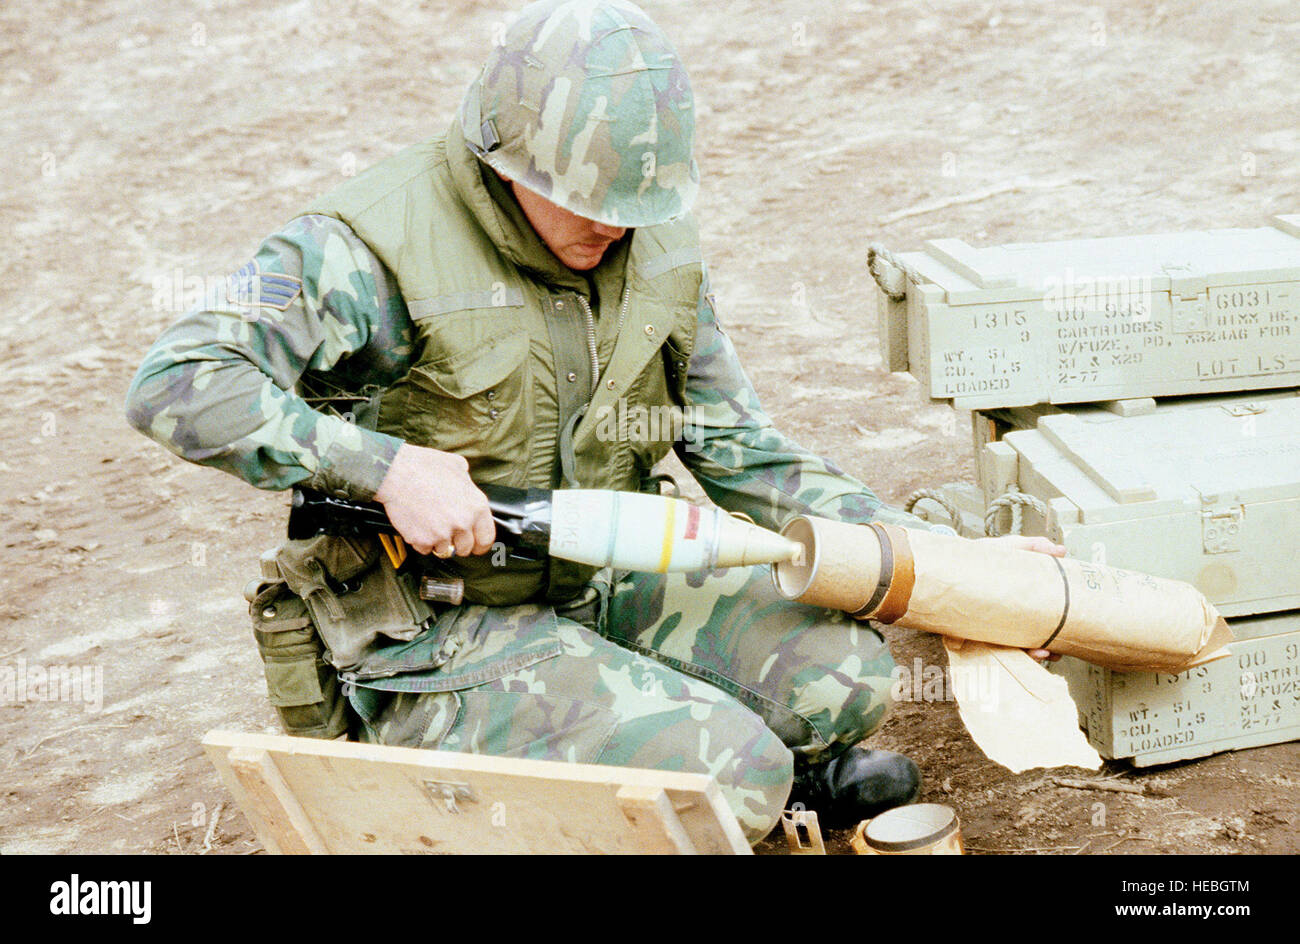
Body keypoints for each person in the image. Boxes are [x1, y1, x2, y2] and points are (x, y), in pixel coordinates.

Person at [125, 0, 1059, 844]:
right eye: (586, 202)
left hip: (606, 569)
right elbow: (177, 379)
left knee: (847, 678)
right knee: (724, 776)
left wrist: (937, 564)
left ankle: (710, 759)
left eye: (632, 208)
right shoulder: (362, 247)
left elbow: (744, 452)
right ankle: (670, 777)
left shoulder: (653, 246)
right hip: (435, 625)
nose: (612, 229)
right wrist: (383, 467)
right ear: (502, 156)